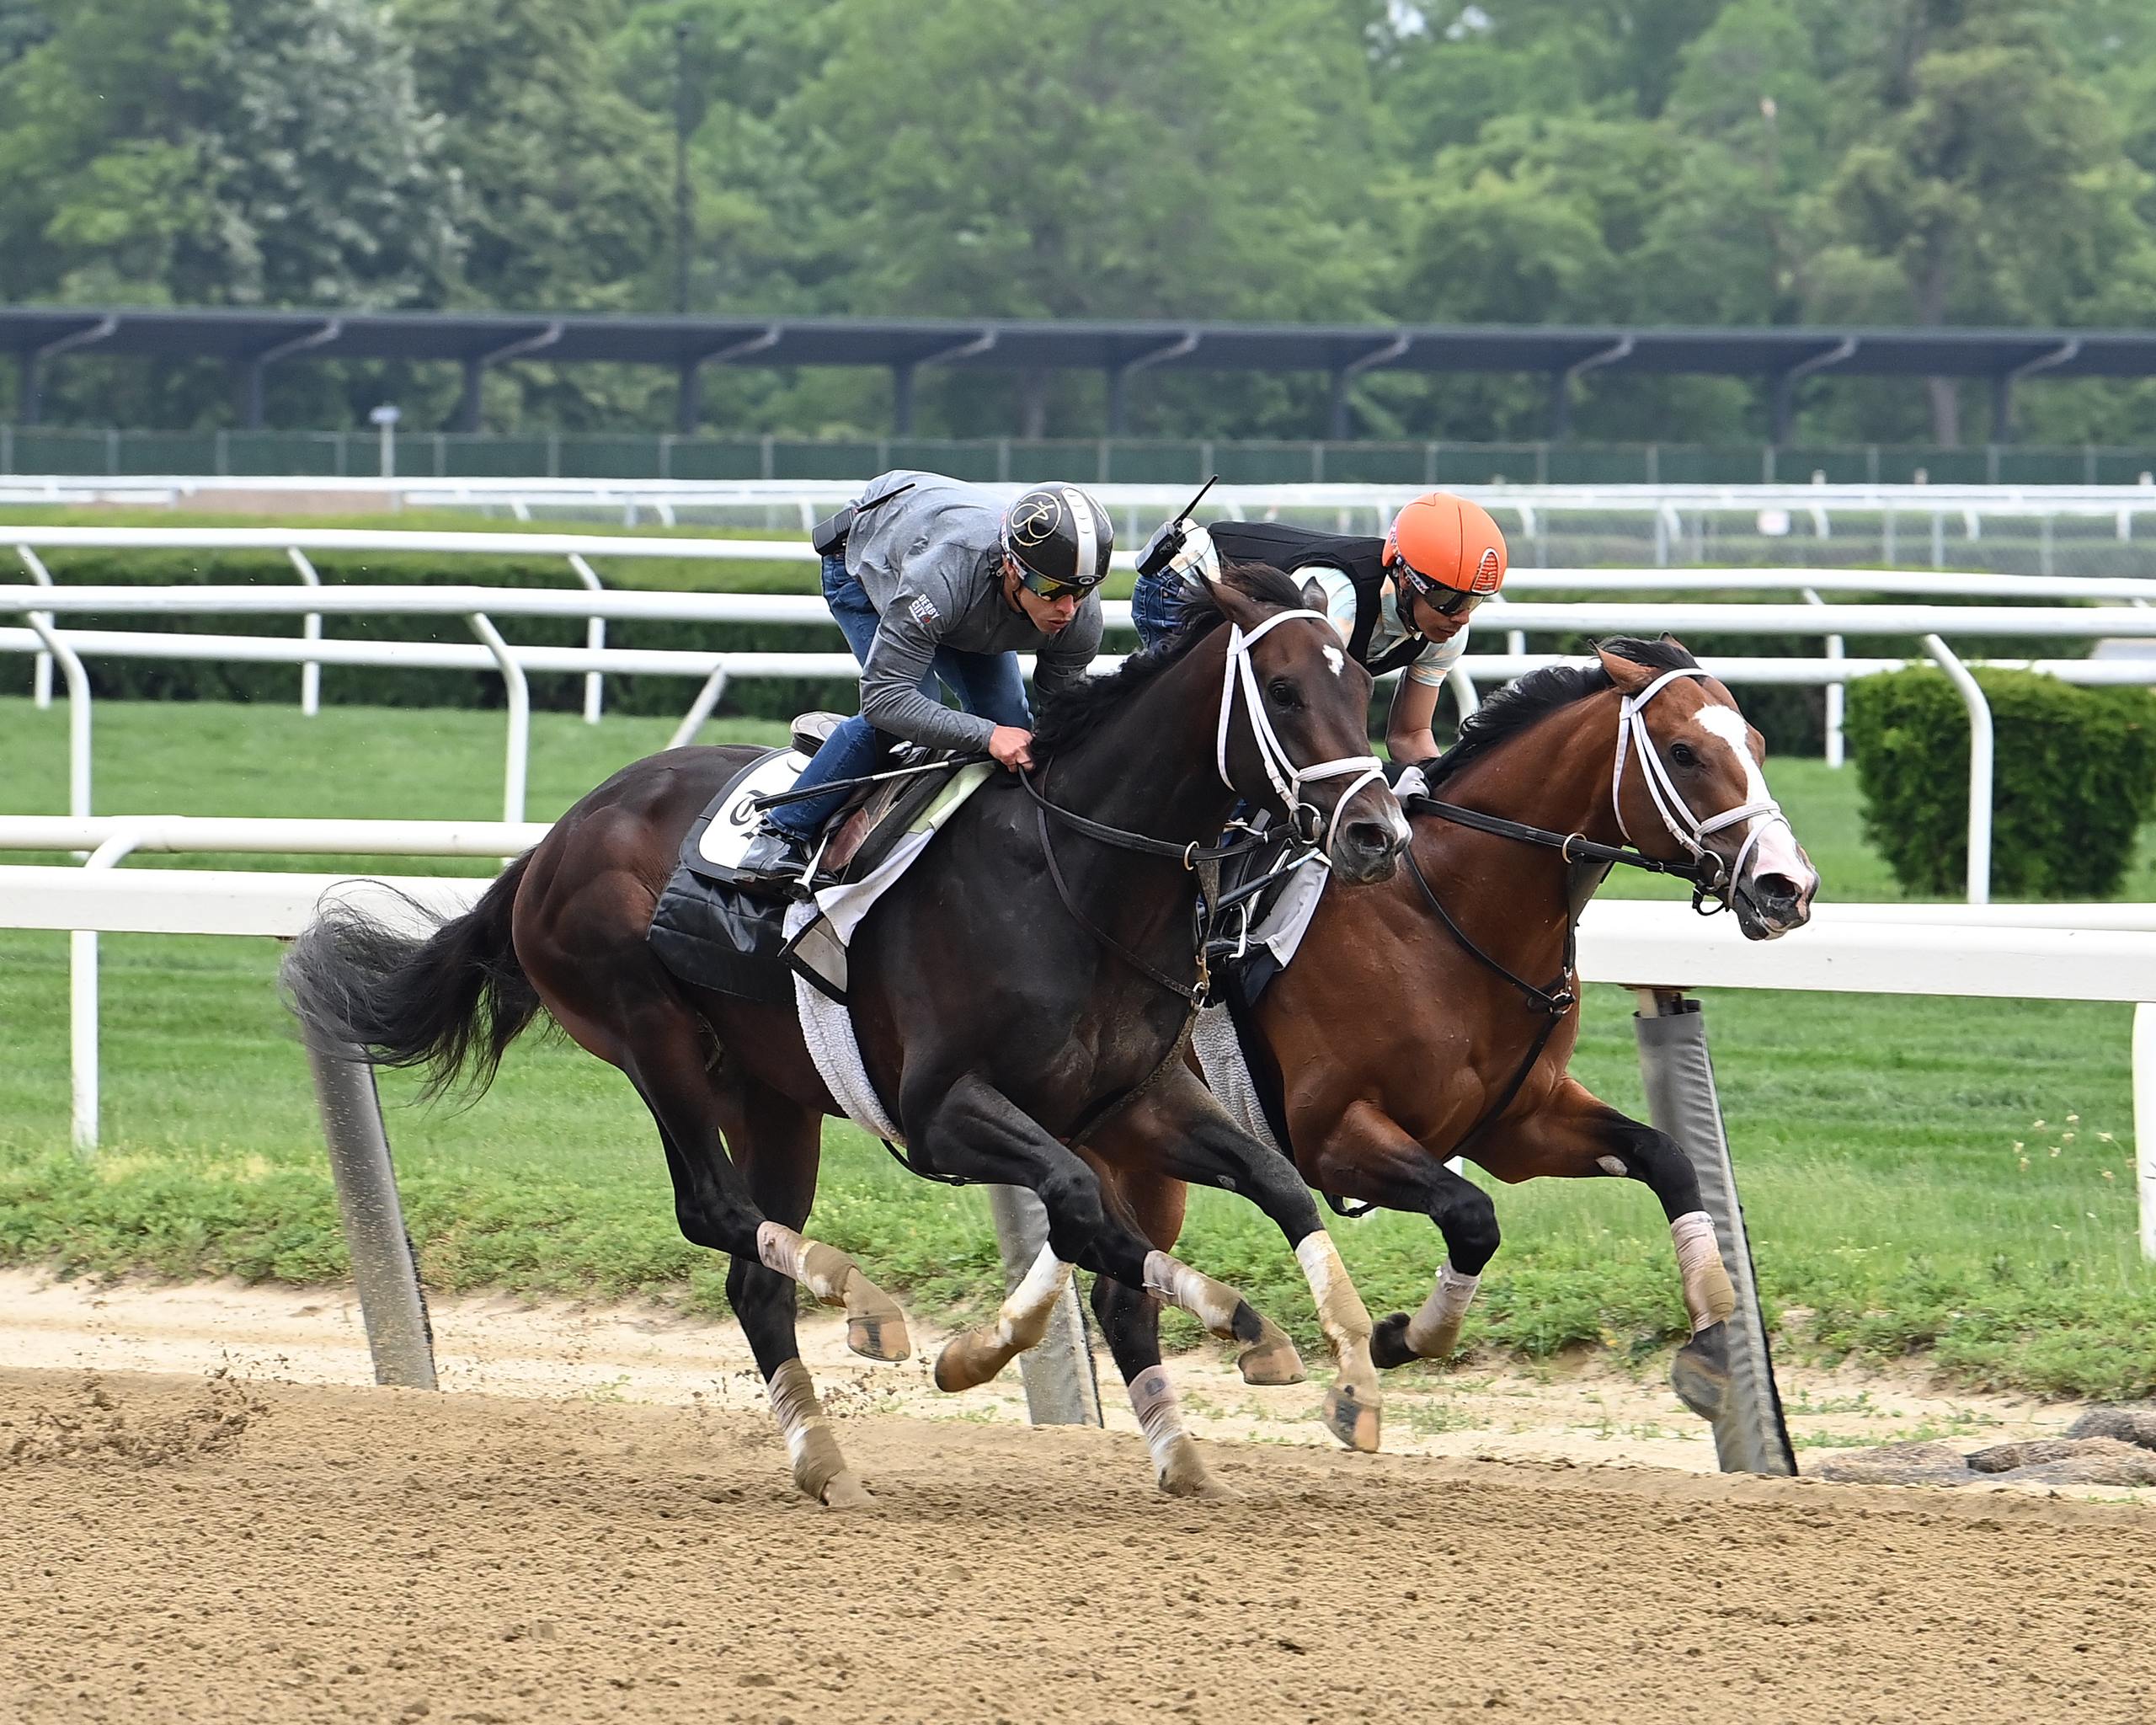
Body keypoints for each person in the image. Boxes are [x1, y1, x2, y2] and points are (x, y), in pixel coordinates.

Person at [736, 470, 1113, 882]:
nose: (1067, 609)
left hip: (958, 594)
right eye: (1051, 589)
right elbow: (887, 700)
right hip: (868, 562)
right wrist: (987, 736)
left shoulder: (1080, 619)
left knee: (1012, 722)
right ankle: (780, 831)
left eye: (1080, 591)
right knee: (912, 717)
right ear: (1010, 566)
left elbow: (1060, 718)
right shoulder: (942, 576)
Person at [1132, 490, 1508, 766]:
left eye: (1474, 600)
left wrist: (1437, 785)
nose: (1461, 617)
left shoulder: (1446, 633)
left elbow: (1410, 736)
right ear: (1406, 579)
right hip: (1185, 579)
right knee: (1224, 745)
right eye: (1448, 598)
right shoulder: (1336, 599)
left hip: (1256, 613)